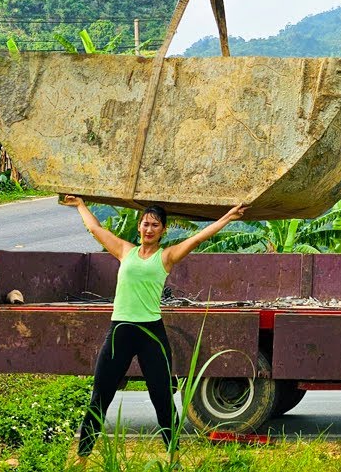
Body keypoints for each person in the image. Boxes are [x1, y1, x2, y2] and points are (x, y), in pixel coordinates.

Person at [64, 195, 247, 459]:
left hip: (151, 334)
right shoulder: (124, 250)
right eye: (145, 224)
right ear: (139, 226)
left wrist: (227, 217)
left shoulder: (166, 257)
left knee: (162, 400)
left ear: (163, 231)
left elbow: (197, 239)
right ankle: (82, 458)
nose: (148, 229)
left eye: (154, 225)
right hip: (120, 331)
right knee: (99, 398)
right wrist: (81, 205)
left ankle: (173, 458)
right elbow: (96, 229)